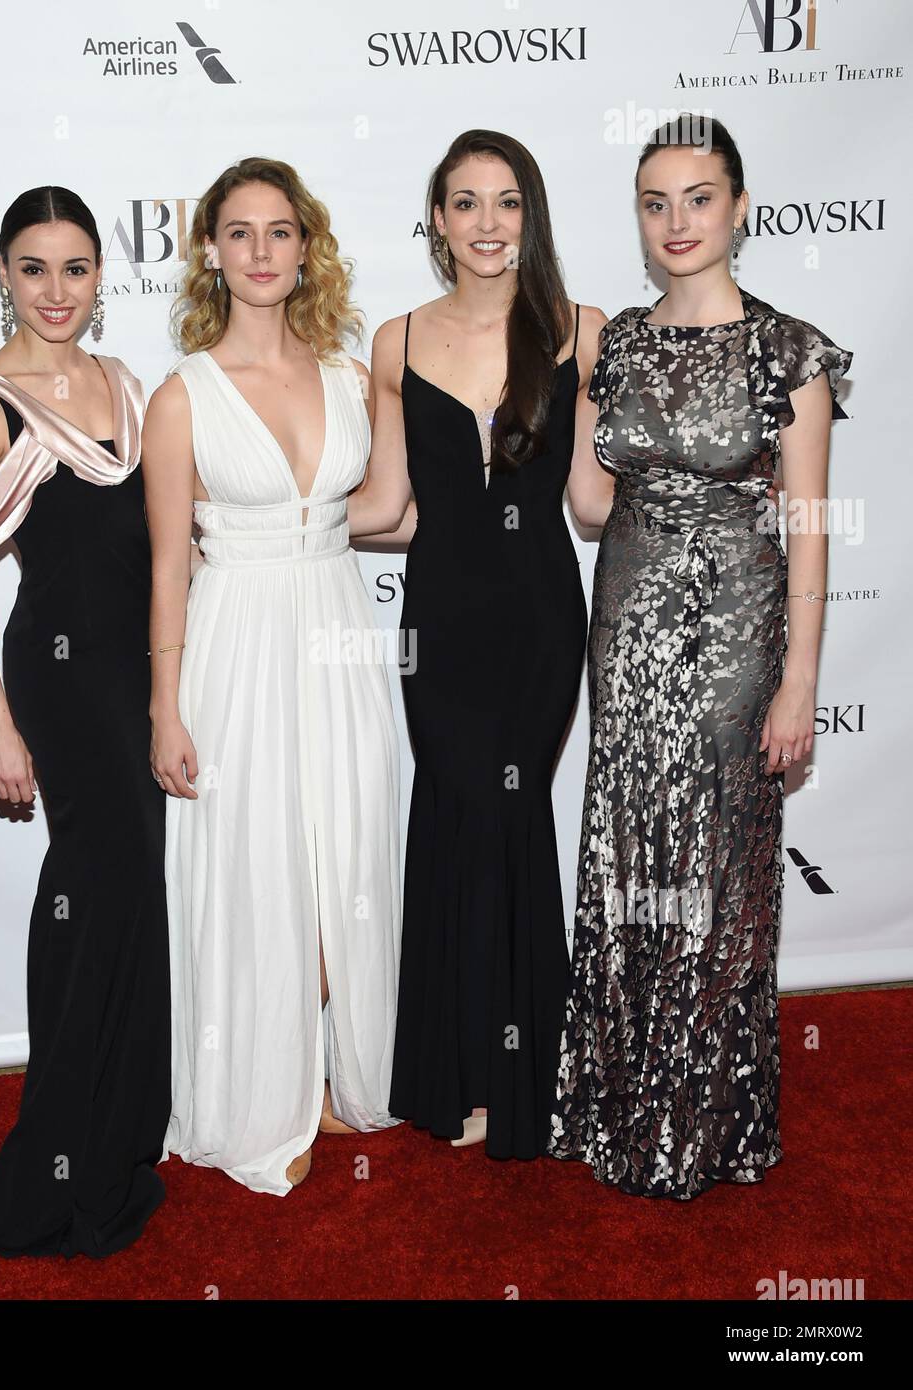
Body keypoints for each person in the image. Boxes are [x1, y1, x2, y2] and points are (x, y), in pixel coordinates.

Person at [548, 116, 852, 1199]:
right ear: (637, 218)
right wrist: (570, 404)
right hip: (624, 629)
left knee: (716, 867)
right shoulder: (615, 340)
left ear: (736, 208)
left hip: (734, 636)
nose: (675, 222)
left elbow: (807, 526)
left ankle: (706, 1116)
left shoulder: (788, 350)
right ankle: (624, 1105)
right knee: (629, 855)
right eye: (654, 201)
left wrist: (799, 680)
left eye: (697, 197)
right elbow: (590, 500)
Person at [348, 129, 610, 1157]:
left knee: (509, 820)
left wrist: (697, 492)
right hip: (439, 618)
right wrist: (257, 522)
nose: (487, 223)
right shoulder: (396, 340)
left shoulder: (580, 329)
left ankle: (520, 1080)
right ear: (438, 219)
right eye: (465, 202)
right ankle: (457, 1071)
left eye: (505, 202)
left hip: (540, 616)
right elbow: (385, 502)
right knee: (454, 811)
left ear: (528, 215)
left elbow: (588, 499)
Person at [143, 158, 402, 1195]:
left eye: (279, 232)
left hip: (335, 623)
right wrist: (164, 705)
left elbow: (388, 510)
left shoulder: (349, 378)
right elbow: (169, 564)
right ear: (210, 249)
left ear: (306, 248)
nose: (259, 252)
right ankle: (259, 1093)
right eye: (239, 232)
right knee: (250, 865)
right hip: (235, 637)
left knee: (345, 849)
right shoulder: (181, 396)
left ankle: (339, 1076)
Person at [0, 186, 170, 1254]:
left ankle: (116, 1132)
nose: (55, 290)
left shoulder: (123, 382)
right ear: (2, 273)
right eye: (34, 267)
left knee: (123, 897)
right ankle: (60, 1152)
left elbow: (162, 544)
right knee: (91, 889)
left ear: (101, 277)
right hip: (59, 680)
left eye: (75, 268)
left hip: (134, 672)